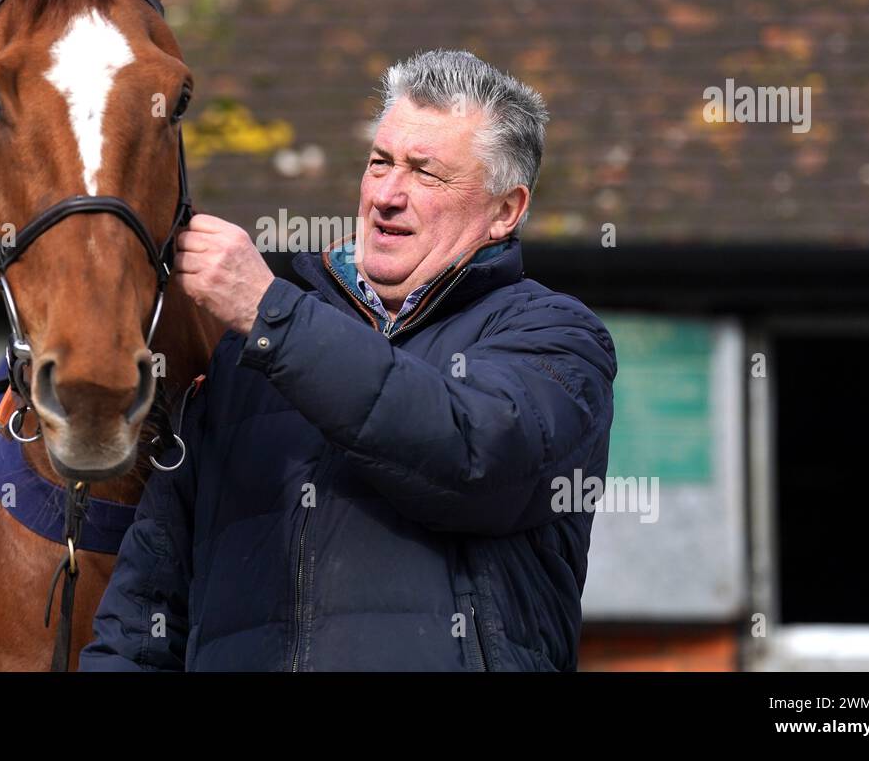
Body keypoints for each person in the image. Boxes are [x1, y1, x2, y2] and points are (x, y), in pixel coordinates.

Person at [80, 48, 617, 671]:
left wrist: (270, 313)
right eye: (379, 163)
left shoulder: (557, 336)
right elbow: (145, 610)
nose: (386, 195)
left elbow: (474, 460)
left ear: (505, 211)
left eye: (426, 173)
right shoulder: (244, 360)